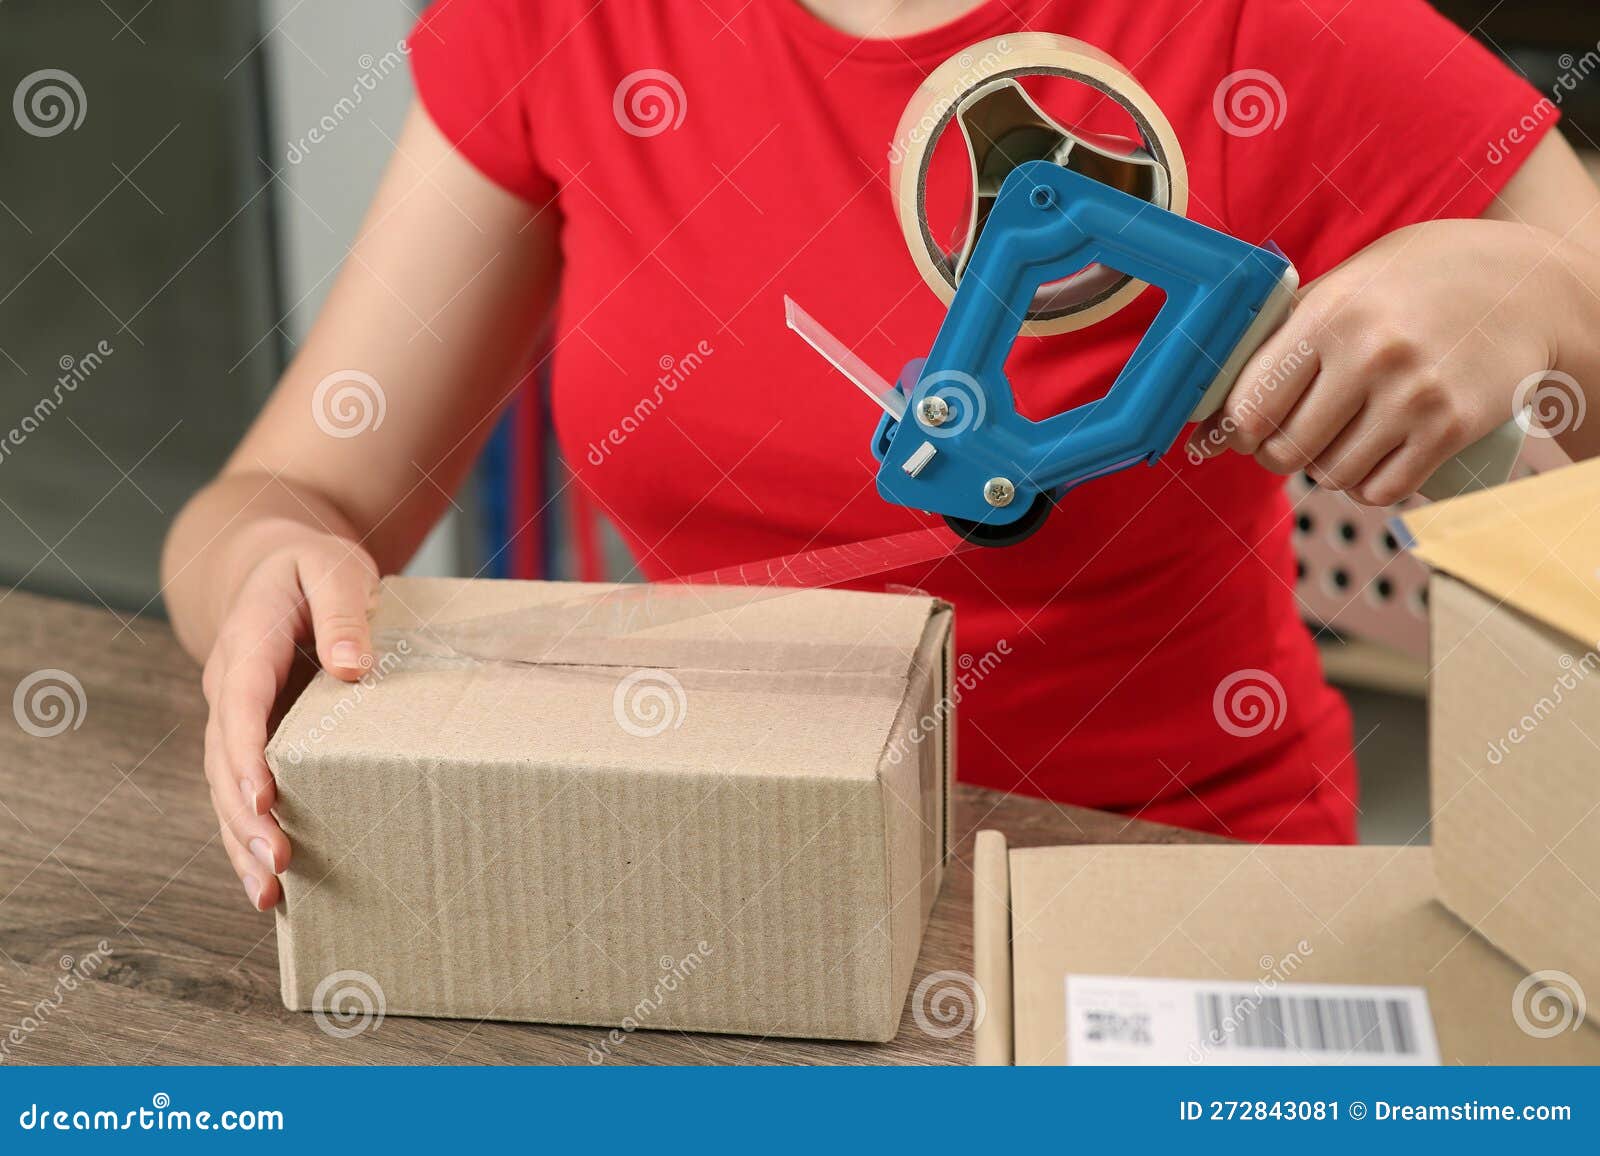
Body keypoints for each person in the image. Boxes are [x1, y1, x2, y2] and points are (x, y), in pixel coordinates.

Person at [163, 0, 1600, 910]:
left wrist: (1548, 299)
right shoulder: (564, 23)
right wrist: (266, 570)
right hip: (704, 872)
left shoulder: (1271, 26)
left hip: (1172, 885)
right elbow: (292, 497)